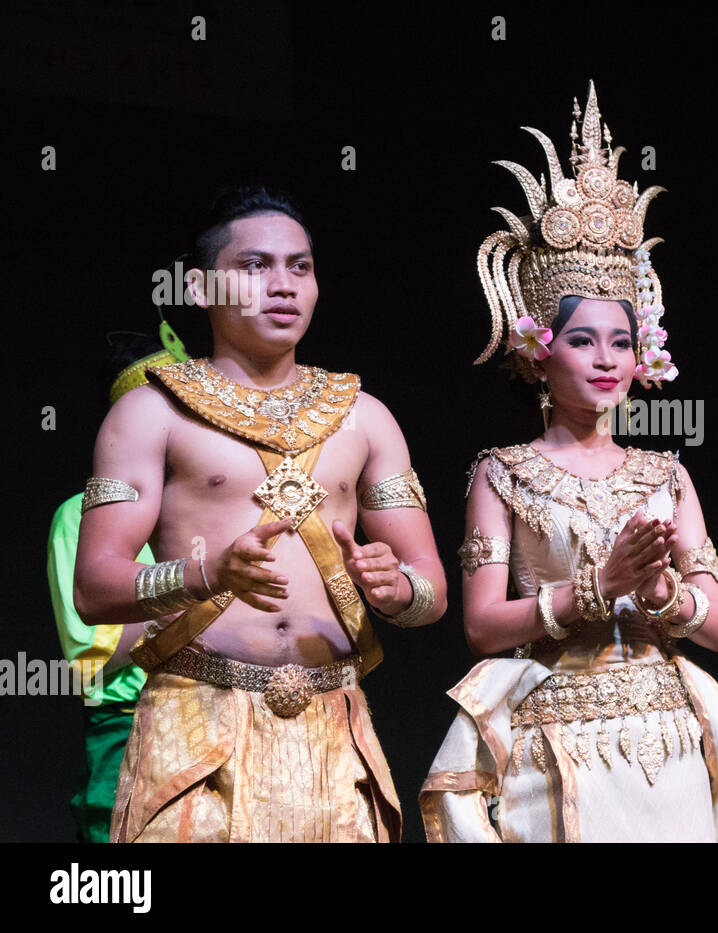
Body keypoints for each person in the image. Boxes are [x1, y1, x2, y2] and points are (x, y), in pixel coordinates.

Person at [419, 83, 718, 842]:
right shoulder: (503, 471)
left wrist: (665, 594)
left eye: (621, 342)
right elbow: (481, 625)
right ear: (538, 354)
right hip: (555, 737)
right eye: (582, 340)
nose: (606, 359)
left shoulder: (666, 475)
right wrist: (597, 588)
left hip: (669, 741)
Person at [73, 186, 448, 842]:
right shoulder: (150, 412)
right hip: (194, 725)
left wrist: (398, 590)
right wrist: (205, 574)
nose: (283, 284)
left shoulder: (366, 416)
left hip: (335, 733)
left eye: (300, 267)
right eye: (255, 266)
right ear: (199, 287)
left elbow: (433, 595)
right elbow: (94, 588)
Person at [47, 327, 187, 842]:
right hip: (130, 727)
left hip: (234, 716)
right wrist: (193, 593)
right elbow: (90, 661)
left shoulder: (223, 501)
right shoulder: (80, 516)